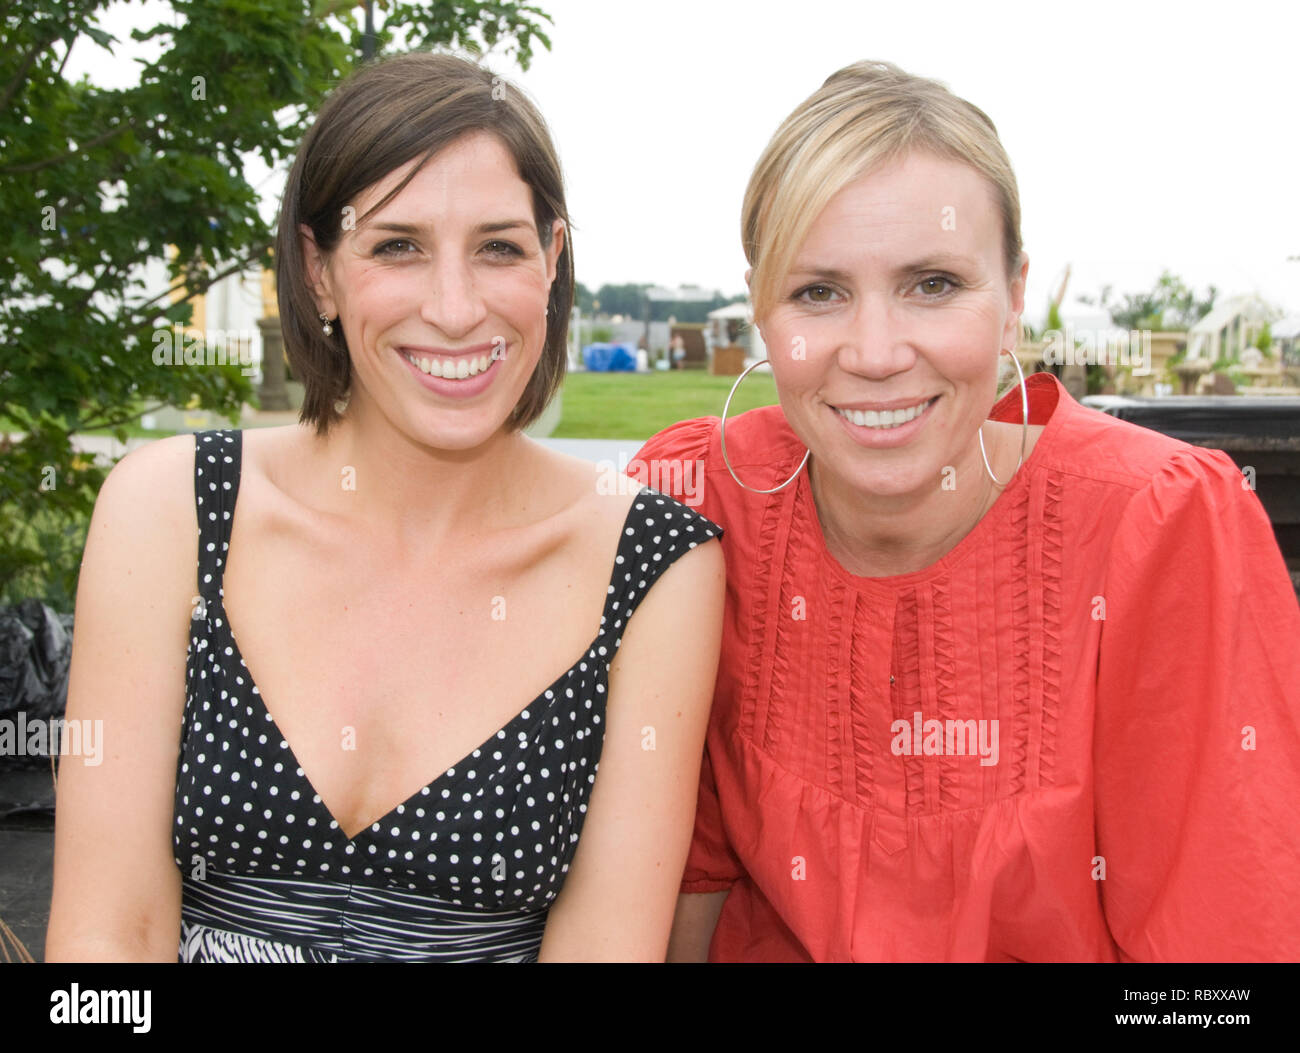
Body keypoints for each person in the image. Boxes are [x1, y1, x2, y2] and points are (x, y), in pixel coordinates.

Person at [45, 51, 725, 963]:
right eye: (397, 245)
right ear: (318, 271)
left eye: (499, 247)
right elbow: (103, 941)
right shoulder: (169, 511)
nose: (454, 308)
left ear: (553, 262)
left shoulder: (654, 566)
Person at [642, 59, 1300, 962]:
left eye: (934, 285)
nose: (875, 353)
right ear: (762, 307)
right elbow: (685, 877)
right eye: (819, 292)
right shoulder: (701, 502)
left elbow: (1222, 965)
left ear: (1015, 295)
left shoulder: (1159, 530)